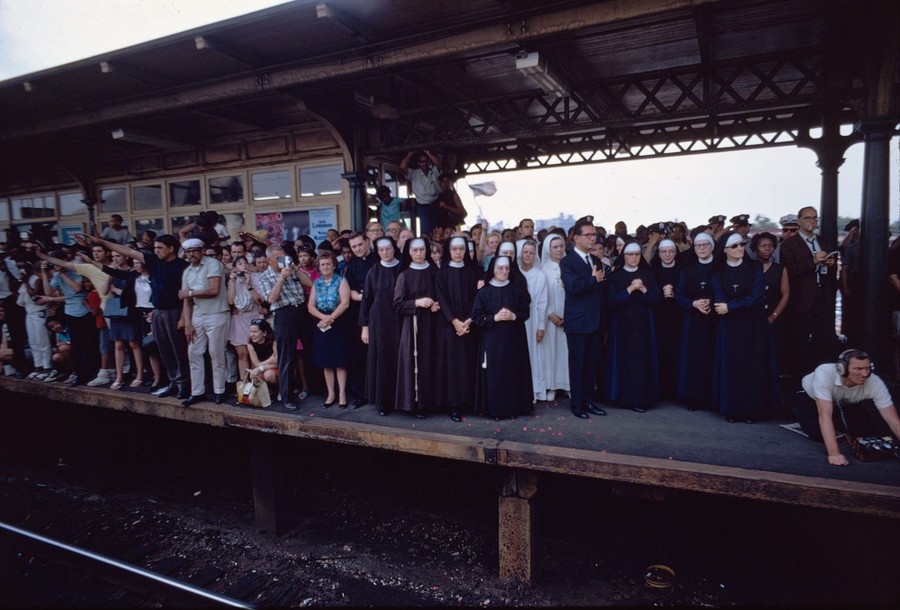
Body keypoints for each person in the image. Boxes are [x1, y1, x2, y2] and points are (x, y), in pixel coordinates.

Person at [86, 232, 191, 400]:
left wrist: (184, 318)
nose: (156, 251)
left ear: (171, 248)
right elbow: (129, 252)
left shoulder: (182, 266)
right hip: (157, 312)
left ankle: (185, 385)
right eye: (154, 247)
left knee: (179, 350)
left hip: (175, 312)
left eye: (160, 248)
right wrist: (101, 242)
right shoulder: (155, 262)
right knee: (164, 351)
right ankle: (174, 382)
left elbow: (187, 295)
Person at [793, 349, 900, 466]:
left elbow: (893, 421)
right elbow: (825, 414)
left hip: (844, 402)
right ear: (842, 369)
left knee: (865, 432)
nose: (864, 374)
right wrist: (834, 454)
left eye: (867, 368)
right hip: (810, 398)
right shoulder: (824, 373)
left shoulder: (875, 382)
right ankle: (794, 411)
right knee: (816, 433)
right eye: (858, 369)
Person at [711, 233, 777, 423]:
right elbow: (719, 300)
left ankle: (752, 411)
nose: (740, 248)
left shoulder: (755, 268)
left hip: (753, 326)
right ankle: (732, 410)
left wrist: (731, 307)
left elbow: (756, 297)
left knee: (752, 366)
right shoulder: (717, 273)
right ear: (724, 250)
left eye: (742, 244)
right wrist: (731, 306)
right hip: (730, 328)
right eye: (734, 246)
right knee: (732, 367)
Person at [779, 206, 839, 378]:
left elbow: (831, 268)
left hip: (823, 297)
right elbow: (789, 271)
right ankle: (802, 380)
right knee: (800, 340)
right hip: (801, 300)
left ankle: (827, 377)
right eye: (808, 218)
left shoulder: (824, 241)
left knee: (827, 338)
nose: (812, 221)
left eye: (815, 218)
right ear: (799, 222)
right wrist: (813, 261)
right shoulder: (788, 245)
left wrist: (830, 264)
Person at [470, 256, 533, 421]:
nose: (504, 272)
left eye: (507, 268)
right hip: (492, 341)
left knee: (512, 372)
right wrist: (494, 319)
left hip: (514, 339)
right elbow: (476, 316)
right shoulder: (484, 292)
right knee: (495, 374)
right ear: (493, 269)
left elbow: (525, 312)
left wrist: (513, 316)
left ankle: (513, 407)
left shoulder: (516, 290)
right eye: (500, 268)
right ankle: (496, 409)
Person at [604, 240, 661, 413]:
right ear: (624, 256)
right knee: (622, 361)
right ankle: (621, 398)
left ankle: (639, 399)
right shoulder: (615, 276)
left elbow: (656, 300)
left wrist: (643, 289)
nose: (634, 257)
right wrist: (629, 289)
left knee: (640, 362)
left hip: (643, 326)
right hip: (621, 326)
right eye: (630, 254)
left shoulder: (648, 275)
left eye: (637, 254)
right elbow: (611, 302)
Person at [560, 218, 608, 419]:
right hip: (578, 322)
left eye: (594, 235)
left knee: (591, 365)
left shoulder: (596, 261)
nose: (592, 239)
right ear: (577, 237)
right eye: (588, 235)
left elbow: (601, 290)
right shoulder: (567, 261)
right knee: (578, 364)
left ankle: (589, 401)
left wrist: (593, 282)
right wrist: (593, 280)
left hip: (595, 320)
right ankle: (577, 404)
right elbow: (574, 287)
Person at [258, 243, 313, 411]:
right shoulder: (265, 276)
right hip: (284, 313)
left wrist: (295, 268)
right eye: (278, 258)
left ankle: (314, 388)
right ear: (269, 260)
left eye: (284, 256)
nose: (283, 260)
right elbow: (271, 299)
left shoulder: (292, 268)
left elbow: (309, 283)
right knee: (287, 357)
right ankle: (287, 396)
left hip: (302, 310)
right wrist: (281, 277)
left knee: (311, 350)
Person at [179, 238, 230, 406]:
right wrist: (188, 323)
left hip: (217, 313)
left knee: (216, 353)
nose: (191, 254)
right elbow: (186, 300)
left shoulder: (213, 264)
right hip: (197, 315)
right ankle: (197, 391)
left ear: (202, 250)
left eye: (194, 250)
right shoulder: (187, 271)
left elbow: (214, 290)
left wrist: (190, 293)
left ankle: (219, 391)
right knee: (193, 353)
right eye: (188, 251)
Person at [434, 235, 480, 422]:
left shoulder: (472, 273)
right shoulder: (441, 274)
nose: (459, 252)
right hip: (449, 327)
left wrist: (468, 321)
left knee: (469, 363)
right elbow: (442, 299)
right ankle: (454, 405)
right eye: (455, 249)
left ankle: (469, 403)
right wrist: (455, 322)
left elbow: (477, 299)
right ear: (449, 251)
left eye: (462, 249)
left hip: (469, 326)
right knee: (453, 367)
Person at [393, 237, 440, 418]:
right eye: (415, 250)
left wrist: (437, 304)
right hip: (413, 325)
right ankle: (417, 403)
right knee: (416, 362)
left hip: (433, 325)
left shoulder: (434, 271)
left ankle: (433, 401)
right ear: (409, 252)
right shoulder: (404, 275)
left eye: (422, 250)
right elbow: (397, 305)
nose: (419, 253)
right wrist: (417, 302)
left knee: (432, 361)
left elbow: (441, 295)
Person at [360, 236, 403, 416]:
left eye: (388, 248)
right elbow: (366, 301)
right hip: (379, 322)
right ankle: (383, 402)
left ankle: (401, 400)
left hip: (401, 321)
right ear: (377, 252)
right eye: (381, 250)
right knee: (382, 360)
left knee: (401, 360)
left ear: (394, 248)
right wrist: (365, 327)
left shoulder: (403, 268)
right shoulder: (373, 271)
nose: (385, 252)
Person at [675, 232, 717, 411]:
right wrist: (693, 303)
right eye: (698, 246)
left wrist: (711, 301)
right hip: (693, 321)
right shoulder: (687, 270)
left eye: (705, 245)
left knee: (713, 358)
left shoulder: (720, 267)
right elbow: (678, 295)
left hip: (715, 321)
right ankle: (693, 398)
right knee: (694, 360)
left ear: (712, 247)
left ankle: (713, 398)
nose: (701, 248)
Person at [308, 250, 351, 408]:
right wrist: (323, 318)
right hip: (321, 323)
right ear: (319, 266)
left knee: (339, 361)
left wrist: (330, 318)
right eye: (322, 264)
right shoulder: (317, 283)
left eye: (328, 264)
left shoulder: (341, 281)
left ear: (334, 265)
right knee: (326, 361)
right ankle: (331, 393)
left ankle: (342, 394)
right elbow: (311, 306)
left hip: (338, 323)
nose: (325, 267)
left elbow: (345, 303)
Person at [100, 251, 145, 389]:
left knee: (133, 343)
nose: (115, 259)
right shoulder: (113, 273)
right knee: (118, 344)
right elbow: (104, 291)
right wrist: (109, 276)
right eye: (113, 257)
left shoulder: (133, 273)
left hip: (130, 309)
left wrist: (116, 289)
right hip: (116, 311)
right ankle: (119, 375)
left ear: (126, 257)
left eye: (118, 256)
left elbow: (131, 293)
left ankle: (139, 374)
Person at [344, 231, 377, 408]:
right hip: (358, 316)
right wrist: (362, 297)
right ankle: (361, 394)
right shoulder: (352, 266)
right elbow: (349, 292)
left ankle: (380, 395)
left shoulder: (379, 259)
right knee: (359, 356)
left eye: (359, 245)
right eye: (353, 246)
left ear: (367, 241)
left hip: (380, 315)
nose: (357, 249)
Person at [750, 232, 790, 376]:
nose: (767, 249)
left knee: (774, 351)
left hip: (774, 318)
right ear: (756, 248)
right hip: (753, 318)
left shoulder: (780, 269)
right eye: (763, 246)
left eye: (770, 246)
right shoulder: (749, 268)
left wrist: (773, 316)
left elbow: (785, 295)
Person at [539, 233, 569, 402]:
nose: (559, 250)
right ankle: (552, 386)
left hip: (569, 316)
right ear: (548, 249)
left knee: (567, 352)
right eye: (555, 247)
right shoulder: (544, 269)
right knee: (551, 352)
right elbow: (541, 296)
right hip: (550, 317)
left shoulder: (570, 266)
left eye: (561, 246)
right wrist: (550, 314)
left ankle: (567, 385)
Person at [651, 239, 682, 400]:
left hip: (679, 317)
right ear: (659, 253)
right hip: (660, 318)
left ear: (676, 253)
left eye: (671, 251)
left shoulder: (683, 269)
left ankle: (676, 390)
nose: (667, 254)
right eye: (664, 251)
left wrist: (675, 292)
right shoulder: (654, 270)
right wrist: (661, 293)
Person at [227, 255, 265, 381]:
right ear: (235, 267)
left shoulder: (256, 278)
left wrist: (249, 284)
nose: (243, 265)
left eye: (245, 263)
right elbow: (231, 301)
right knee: (242, 354)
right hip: (239, 318)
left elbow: (261, 300)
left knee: (255, 353)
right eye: (240, 263)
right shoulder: (233, 280)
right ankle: (243, 386)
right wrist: (232, 282)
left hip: (255, 316)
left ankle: (256, 385)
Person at [518, 239, 548, 402]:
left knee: (533, 355)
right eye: (525, 252)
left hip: (533, 320)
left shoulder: (540, 275)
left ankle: (534, 390)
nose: (528, 255)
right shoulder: (516, 273)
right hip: (517, 320)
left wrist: (541, 326)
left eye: (531, 252)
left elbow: (542, 303)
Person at [400, 149, 442, 236]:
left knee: (437, 230)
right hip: (422, 206)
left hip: (435, 204)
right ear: (418, 163)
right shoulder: (414, 173)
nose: (424, 163)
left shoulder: (433, 172)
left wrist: (428, 153)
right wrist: (409, 154)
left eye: (426, 161)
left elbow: (438, 164)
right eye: (421, 162)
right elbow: (402, 167)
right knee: (426, 231)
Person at [247, 318, 278, 387]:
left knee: (268, 374)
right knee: (254, 375)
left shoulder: (273, 342)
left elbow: (278, 363)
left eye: (255, 332)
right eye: (251, 331)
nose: (252, 335)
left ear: (264, 333)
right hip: (265, 368)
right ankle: (266, 392)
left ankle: (279, 389)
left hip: (275, 369)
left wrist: (260, 367)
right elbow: (256, 364)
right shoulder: (250, 344)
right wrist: (270, 360)